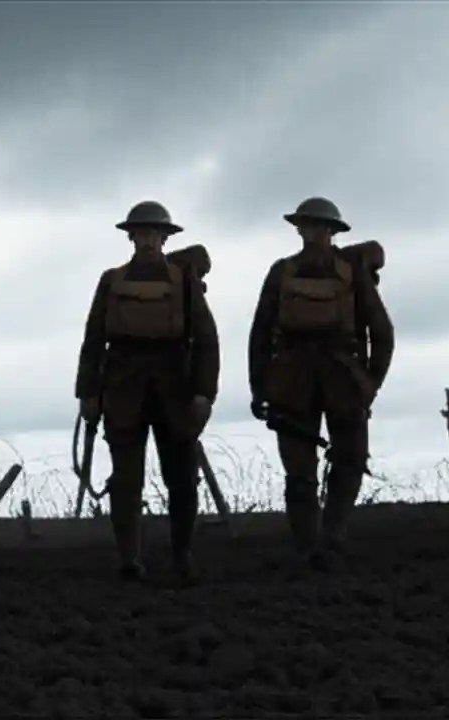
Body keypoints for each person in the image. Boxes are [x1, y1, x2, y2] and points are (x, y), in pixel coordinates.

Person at [74, 200, 219, 585]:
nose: (148, 240)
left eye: (155, 234)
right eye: (142, 233)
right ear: (132, 237)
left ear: (165, 238)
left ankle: (182, 555)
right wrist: (88, 394)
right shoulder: (112, 280)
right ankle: (129, 559)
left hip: (174, 386)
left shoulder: (183, 280)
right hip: (122, 386)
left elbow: (205, 339)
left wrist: (204, 393)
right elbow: (93, 340)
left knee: (182, 477)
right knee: (125, 479)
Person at [247, 196, 394, 571]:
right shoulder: (282, 272)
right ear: (299, 229)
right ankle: (308, 547)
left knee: (350, 458)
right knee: (299, 471)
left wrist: (370, 383)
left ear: (332, 231)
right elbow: (260, 334)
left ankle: (332, 538)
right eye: (308, 226)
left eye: (320, 227)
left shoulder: (351, 273)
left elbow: (381, 331)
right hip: (295, 381)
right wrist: (259, 388)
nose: (314, 233)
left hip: (339, 378)